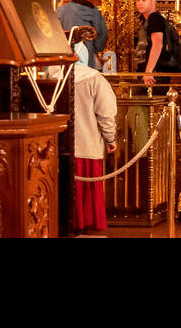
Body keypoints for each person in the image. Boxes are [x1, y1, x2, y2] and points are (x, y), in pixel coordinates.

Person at [71, 40, 116, 234]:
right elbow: (105, 112)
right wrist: (110, 138)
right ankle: (87, 223)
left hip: (61, 145)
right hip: (87, 144)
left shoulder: (55, 77)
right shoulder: (94, 78)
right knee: (87, 188)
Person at [56, 0, 107, 70]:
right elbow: (102, 38)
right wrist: (90, 49)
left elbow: (55, 36)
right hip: (90, 61)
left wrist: (57, 11)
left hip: (68, 62)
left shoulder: (63, 10)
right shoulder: (94, 10)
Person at [135, 0, 181, 86]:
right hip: (155, 71)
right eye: (137, 0)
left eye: (143, 0)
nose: (139, 3)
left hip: (154, 74)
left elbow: (157, 45)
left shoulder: (154, 19)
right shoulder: (153, 19)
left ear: (153, 1)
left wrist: (148, 71)